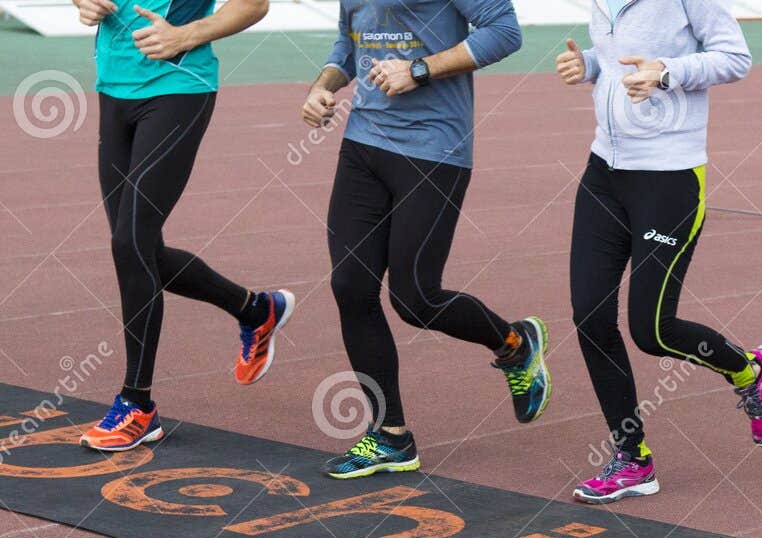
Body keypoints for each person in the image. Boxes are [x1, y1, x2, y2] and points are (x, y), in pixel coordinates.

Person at [301, 0, 548, 479]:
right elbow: (347, 45)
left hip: (434, 147)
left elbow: (506, 30)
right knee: (351, 287)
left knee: (415, 298)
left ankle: (515, 342)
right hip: (363, 144)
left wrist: (421, 69)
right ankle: (390, 435)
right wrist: (321, 88)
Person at [556, 5, 762, 507]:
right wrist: (592, 66)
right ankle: (632, 457)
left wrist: (667, 74)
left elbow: (734, 57)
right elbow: (619, 57)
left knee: (653, 330)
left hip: (670, 176)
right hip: (604, 172)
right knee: (590, 316)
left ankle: (749, 371)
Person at [73, 0, 294, 452]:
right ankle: (255, 310)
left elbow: (254, 5)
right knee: (139, 248)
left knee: (130, 241)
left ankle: (138, 404)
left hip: (179, 86)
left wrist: (186, 35)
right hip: (113, 87)